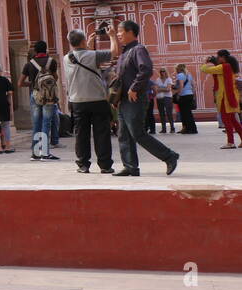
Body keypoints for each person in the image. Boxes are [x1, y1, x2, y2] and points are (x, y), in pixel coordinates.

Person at [109, 20, 179, 176]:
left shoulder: (138, 50)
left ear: (130, 32)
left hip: (135, 98)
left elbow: (146, 70)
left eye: (120, 32)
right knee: (123, 134)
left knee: (137, 133)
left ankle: (169, 156)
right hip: (124, 100)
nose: (118, 34)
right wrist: (116, 98)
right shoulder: (125, 52)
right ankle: (130, 166)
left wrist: (134, 87)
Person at [62, 29, 114, 174]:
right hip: (97, 99)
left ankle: (83, 165)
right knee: (101, 133)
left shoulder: (66, 58)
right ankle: (105, 165)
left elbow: (82, 57)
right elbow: (114, 52)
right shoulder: (93, 55)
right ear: (84, 41)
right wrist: (112, 36)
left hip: (77, 101)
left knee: (81, 134)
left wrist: (86, 44)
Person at [20, 40, 60, 160]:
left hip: (35, 95)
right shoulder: (51, 61)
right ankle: (45, 152)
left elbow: (19, 83)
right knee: (46, 123)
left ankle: (36, 153)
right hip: (49, 96)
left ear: (35, 50)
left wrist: (32, 84)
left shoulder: (29, 64)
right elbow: (55, 77)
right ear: (46, 49)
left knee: (36, 123)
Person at [201, 50, 241, 148]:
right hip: (229, 96)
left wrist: (206, 62)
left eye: (218, 57)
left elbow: (205, 69)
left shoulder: (224, 67)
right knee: (234, 121)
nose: (217, 58)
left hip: (225, 97)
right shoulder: (228, 66)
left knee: (226, 120)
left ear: (223, 57)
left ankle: (230, 142)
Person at [174, 63, 197, 134]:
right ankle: (192, 129)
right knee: (188, 113)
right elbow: (193, 85)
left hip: (183, 95)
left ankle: (188, 129)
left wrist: (178, 94)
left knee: (184, 113)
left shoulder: (180, 75)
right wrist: (192, 94)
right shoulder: (189, 75)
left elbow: (181, 85)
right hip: (189, 94)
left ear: (178, 69)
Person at [153, 68, 176, 134]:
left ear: (166, 72)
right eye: (161, 71)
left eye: (163, 71)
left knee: (169, 113)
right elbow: (157, 89)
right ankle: (163, 129)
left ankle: (172, 128)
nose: (162, 72)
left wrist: (161, 89)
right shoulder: (158, 79)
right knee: (161, 113)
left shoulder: (169, 79)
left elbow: (168, 89)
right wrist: (164, 88)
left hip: (167, 98)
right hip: (159, 98)